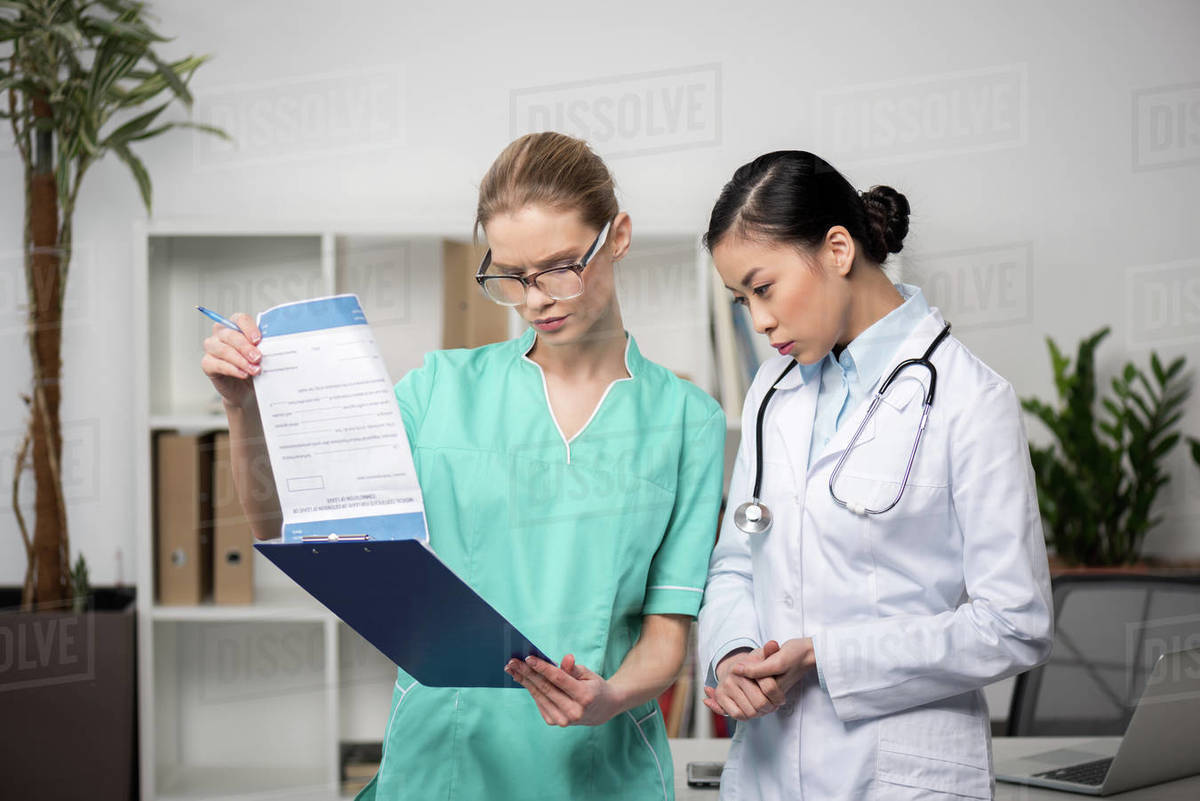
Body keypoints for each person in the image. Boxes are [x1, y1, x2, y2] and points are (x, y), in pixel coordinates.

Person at [201, 131, 725, 801]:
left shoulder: (688, 421)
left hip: (595, 771)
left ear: (617, 237)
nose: (535, 299)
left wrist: (611, 697)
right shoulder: (437, 391)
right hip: (440, 767)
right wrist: (242, 407)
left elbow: (667, 636)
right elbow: (284, 525)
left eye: (559, 267)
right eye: (512, 275)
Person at [697, 150, 1054, 801]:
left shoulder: (970, 400)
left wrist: (825, 655)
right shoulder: (772, 392)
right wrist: (731, 653)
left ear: (838, 249)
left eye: (763, 288)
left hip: (904, 773)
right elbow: (736, 562)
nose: (758, 321)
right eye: (741, 299)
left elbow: (1014, 623)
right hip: (767, 769)